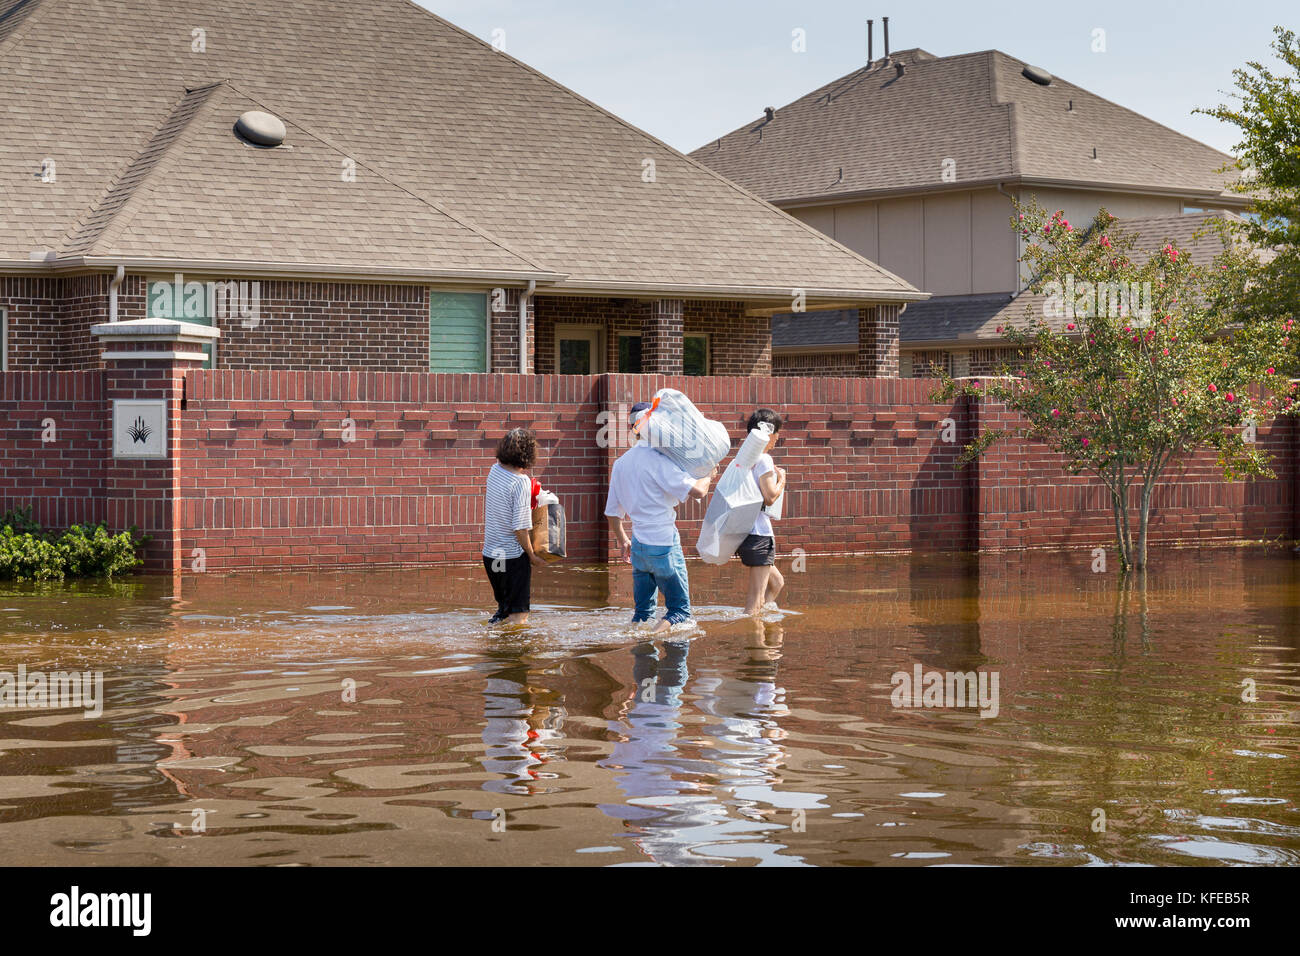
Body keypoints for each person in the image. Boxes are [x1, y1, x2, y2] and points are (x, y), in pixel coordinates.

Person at [606, 402, 714, 635]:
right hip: (663, 542)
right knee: (679, 612)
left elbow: (612, 513)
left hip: (638, 546)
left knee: (643, 613)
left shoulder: (620, 463)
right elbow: (698, 491)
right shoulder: (659, 460)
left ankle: (637, 644)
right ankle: (649, 639)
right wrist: (708, 473)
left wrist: (624, 540)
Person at [482, 427, 546, 625]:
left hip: (492, 555)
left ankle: (494, 649)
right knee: (518, 617)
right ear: (528, 453)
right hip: (511, 558)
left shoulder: (495, 470)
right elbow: (520, 526)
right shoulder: (521, 482)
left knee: (503, 611)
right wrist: (532, 555)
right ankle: (512, 655)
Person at [737, 408, 787, 615]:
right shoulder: (764, 459)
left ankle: (763, 633)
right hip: (759, 534)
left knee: (777, 582)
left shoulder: (744, 457)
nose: (778, 438)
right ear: (770, 433)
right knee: (754, 600)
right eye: (777, 433)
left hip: (746, 532)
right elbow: (770, 496)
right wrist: (782, 479)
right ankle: (755, 643)